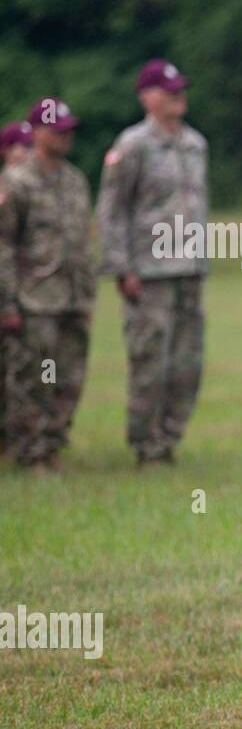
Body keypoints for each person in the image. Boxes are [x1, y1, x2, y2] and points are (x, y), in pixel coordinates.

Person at [96, 59, 208, 467]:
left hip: (190, 270)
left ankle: (169, 438)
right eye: (169, 89)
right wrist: (121, 267)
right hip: (149, 272)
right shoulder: (132, 145)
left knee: (188, 362)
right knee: (150, 361)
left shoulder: (196, 144)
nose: (179, 95)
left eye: (181, 87)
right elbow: (112, 210)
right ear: (147, 96)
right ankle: (146, 445)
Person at [0, 100, 94, 473]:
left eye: (69, 129)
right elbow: (3, 245)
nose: (66, 136)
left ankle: (53, 444)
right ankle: (30, 451)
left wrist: (87, 294)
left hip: (71, 300)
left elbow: (82, 242)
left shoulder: (75, 181)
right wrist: (7, 302)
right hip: (34, 301)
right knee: (36, 377)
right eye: (58, 130)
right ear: (37, 132)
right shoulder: (15, 183)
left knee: (67, 377)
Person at [0, 120, 34, 456]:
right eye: (19, 146)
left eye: (30, 146)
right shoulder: (6, 191)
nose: (25, 154)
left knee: (18, 367)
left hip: (20, 293)